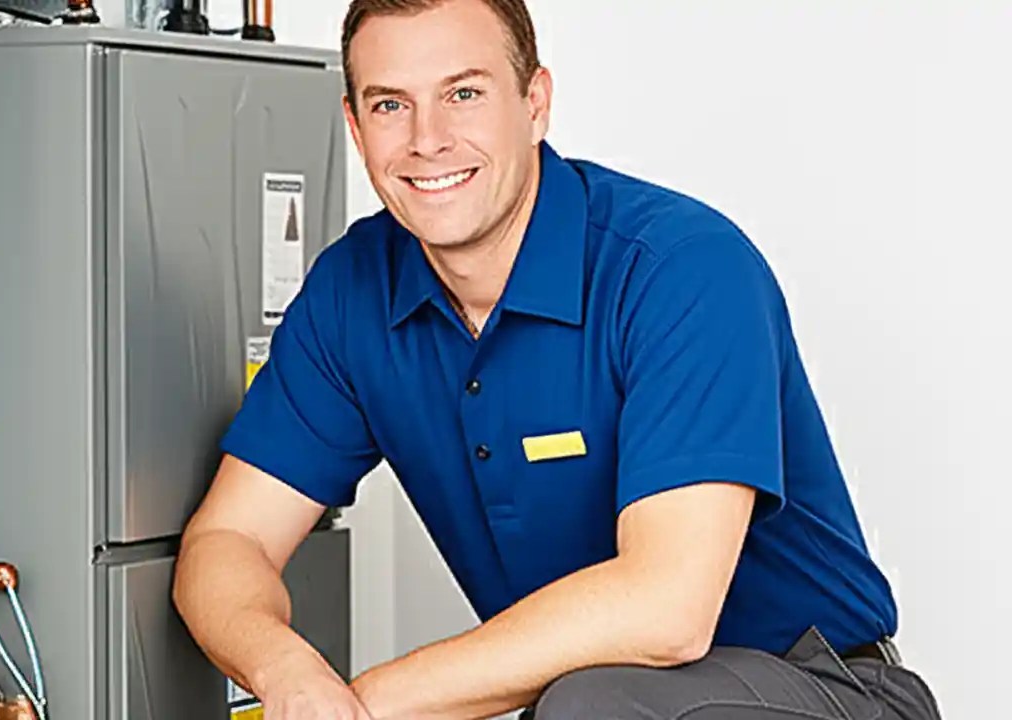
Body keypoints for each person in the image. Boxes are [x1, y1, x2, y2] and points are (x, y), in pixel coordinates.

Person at [172, 0, 943, 718]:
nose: (426, 139)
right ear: (353, 122)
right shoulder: (352, 294)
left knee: (590, 705)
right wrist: (287, 673)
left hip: (827, 687)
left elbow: (667, 612)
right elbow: (226, 543)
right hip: (598, 701)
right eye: (389, 104)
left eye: (464, 94)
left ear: (535, 103)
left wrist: (367, 703)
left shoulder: (681, 270)